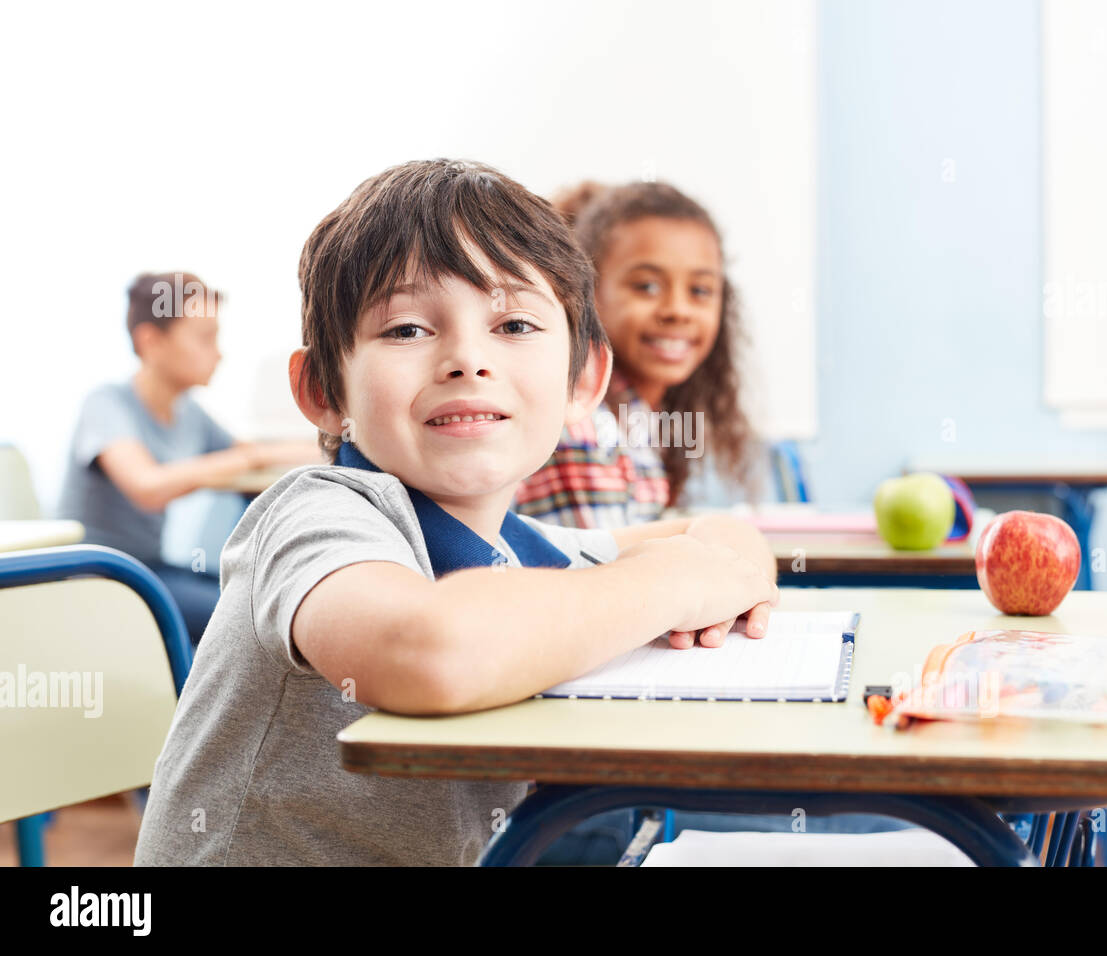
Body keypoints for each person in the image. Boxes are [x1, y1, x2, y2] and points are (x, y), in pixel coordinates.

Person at [132, 159, 778, 866]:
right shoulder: (316, 514)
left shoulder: (506, 540)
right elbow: (429, 654)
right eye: (407, 329)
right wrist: (679, 583)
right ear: (323, 389)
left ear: (582, 380)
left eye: (515, 323)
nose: (467, 359)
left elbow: (714, 538)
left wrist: (718, 556)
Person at [57, 273, 319, 644]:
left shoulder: (189, 414)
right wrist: (247, 459)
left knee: (259, 591)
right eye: (204, 338)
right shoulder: (106, 403)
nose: (219, 352)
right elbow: (147, 487)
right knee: (248, 613)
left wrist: (336, 448)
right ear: (150, 341)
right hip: (102, 577)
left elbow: (248, 455)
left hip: (151, 568)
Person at [514, 181, 763, 528]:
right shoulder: (582, 430)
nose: (678, 310)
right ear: (587, 292)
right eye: (647, 286)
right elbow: (601, 578)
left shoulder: (638, 422)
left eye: (700, 290)